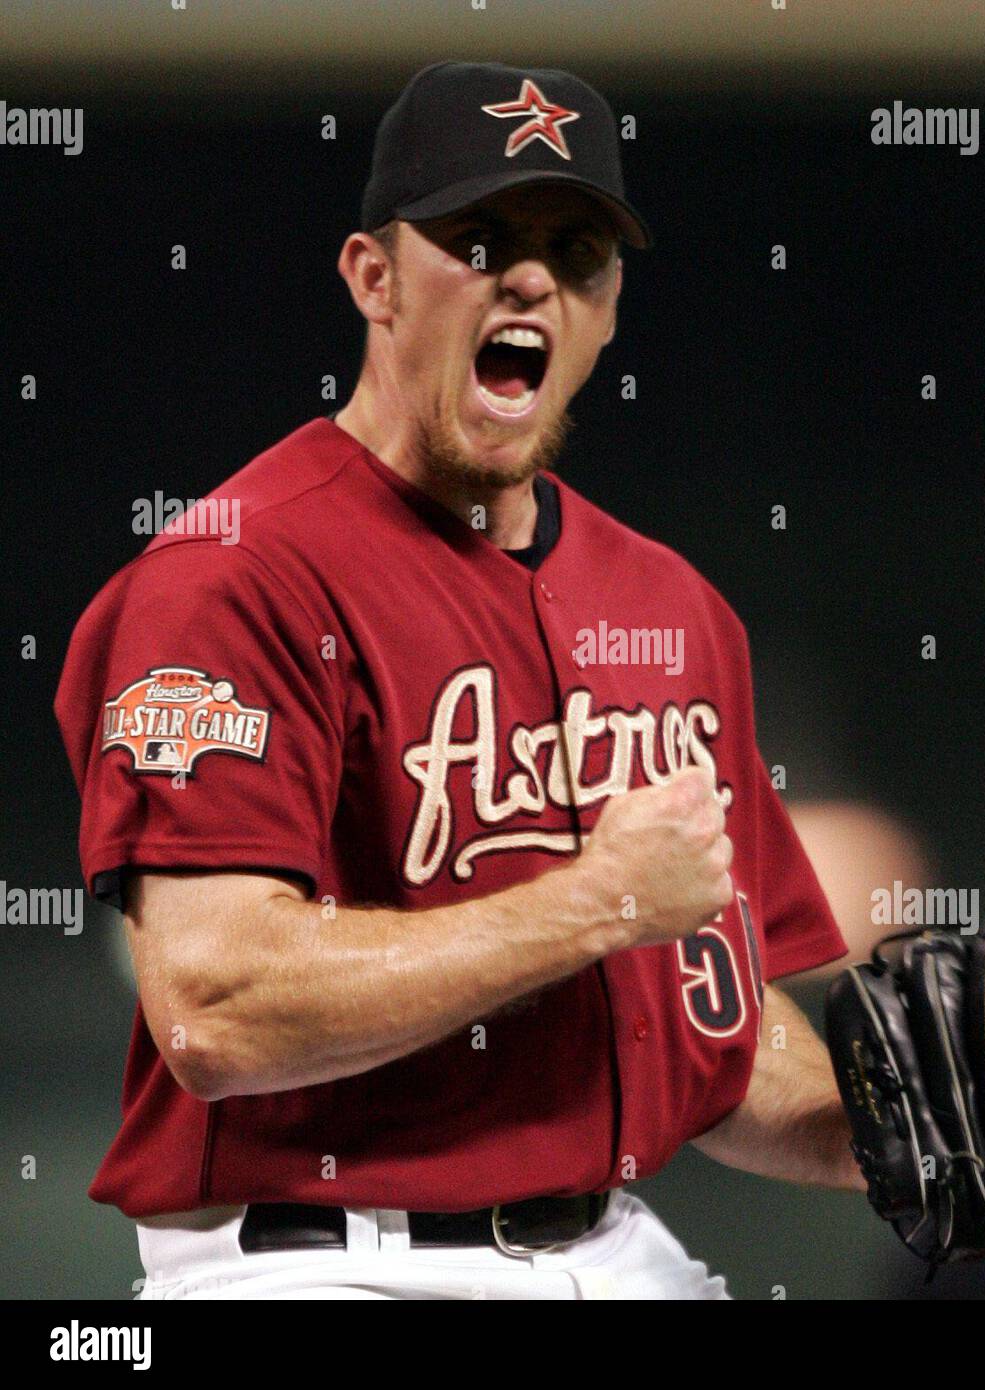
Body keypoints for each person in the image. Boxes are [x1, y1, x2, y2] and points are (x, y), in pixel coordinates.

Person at [55, 61, 861, 1301]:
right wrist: (598, 900)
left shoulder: (676, 611)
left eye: (576, 250)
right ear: (371, 279)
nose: (530, 277)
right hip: (317, 1264)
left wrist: (910, 1128)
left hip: (612, 1246)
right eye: (479, 238)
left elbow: (713, 1037)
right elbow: (217, 1010)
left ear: (607, 308)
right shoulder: (230, 579)